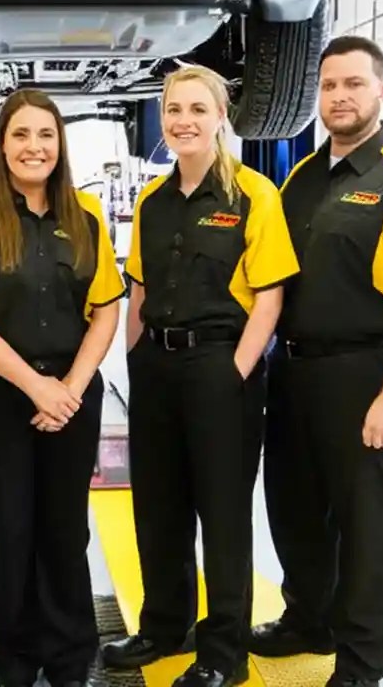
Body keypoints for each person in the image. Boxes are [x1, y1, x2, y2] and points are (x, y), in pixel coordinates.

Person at [249, 35, 383, 687]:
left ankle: (361, 665)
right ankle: (306, 619)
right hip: (297, 372)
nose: (340, 97)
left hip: (371, 373)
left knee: (369, 531)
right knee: (296, 509)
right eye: (329, 85)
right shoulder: (304, 178)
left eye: (354, 85)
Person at [101, 64, 297, 687]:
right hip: (155, 366)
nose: (183, 121)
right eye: (173, 110)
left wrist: (235, 373)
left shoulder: (253, 196)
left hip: (221, 364)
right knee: (157, 505)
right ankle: (164, 626)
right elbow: (140, 288)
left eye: (196, 109)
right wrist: (136, 361)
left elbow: (269, 298)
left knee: (222, 513)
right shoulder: (153, 202)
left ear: (220, 118)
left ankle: (224, 652)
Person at [0, 88, 125, 687]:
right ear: (2, 144)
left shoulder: (86, 216)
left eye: (45, 134)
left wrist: (69, 386)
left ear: (60, 144)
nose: (33, 146)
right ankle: (14, 656)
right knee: (12, 524)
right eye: (20, 134)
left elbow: (105, 309)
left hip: (74, 390)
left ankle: (70, 653)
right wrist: (35, 388)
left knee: (67, 525)